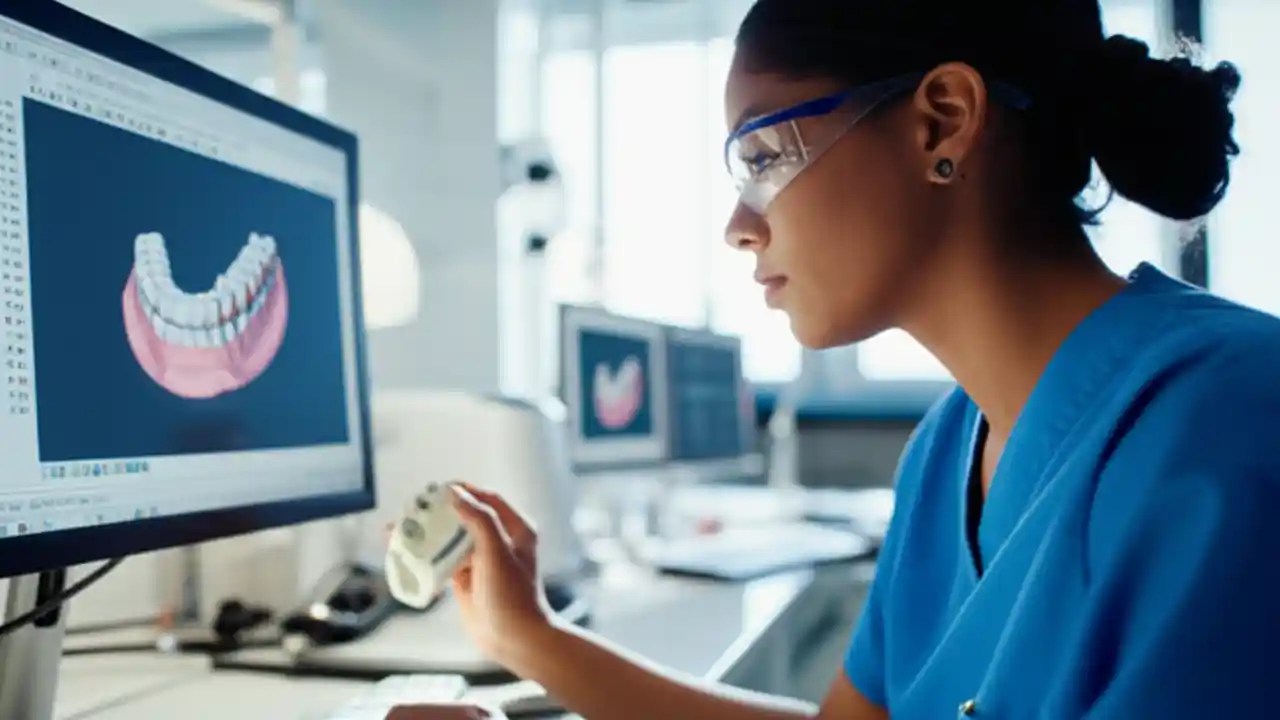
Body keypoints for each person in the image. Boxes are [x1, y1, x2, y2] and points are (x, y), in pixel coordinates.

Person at [444, 0, 1280, 717]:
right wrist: (531, 641)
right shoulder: (945, 452)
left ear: (942, 120)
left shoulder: (1231, 424)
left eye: (763, 158)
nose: (739, 223)